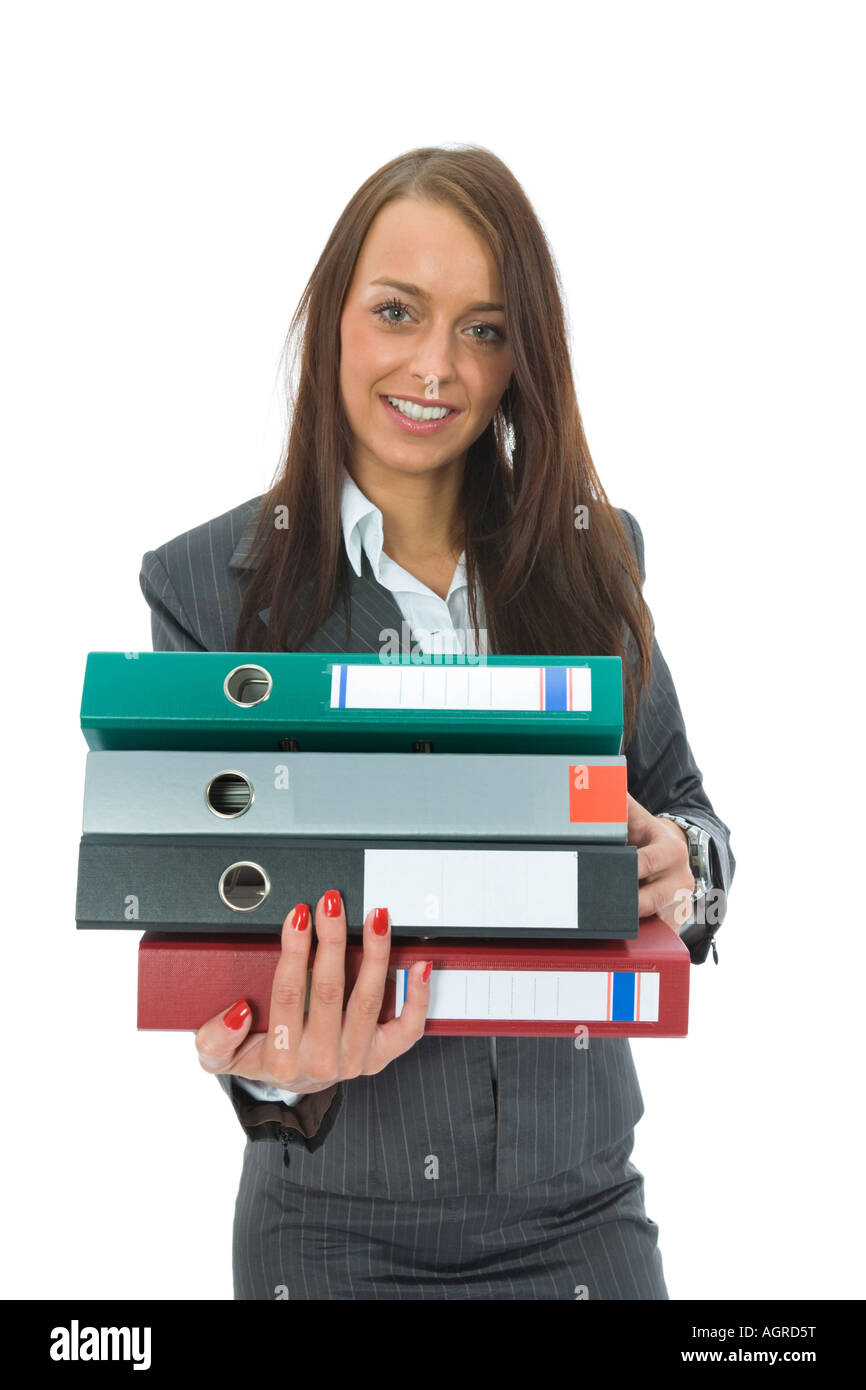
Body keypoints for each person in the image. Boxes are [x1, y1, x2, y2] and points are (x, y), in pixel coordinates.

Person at [140, 144, 735, 1301]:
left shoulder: (591, 555)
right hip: (329, 1227)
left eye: (483, 328)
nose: (434, 365)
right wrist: (275, 1076)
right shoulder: (206, 587)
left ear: (522, 357)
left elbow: (691, 816)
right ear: (333, 321)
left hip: (581, 1213)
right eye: (397, 312)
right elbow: (205, 918)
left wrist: (683, 863)